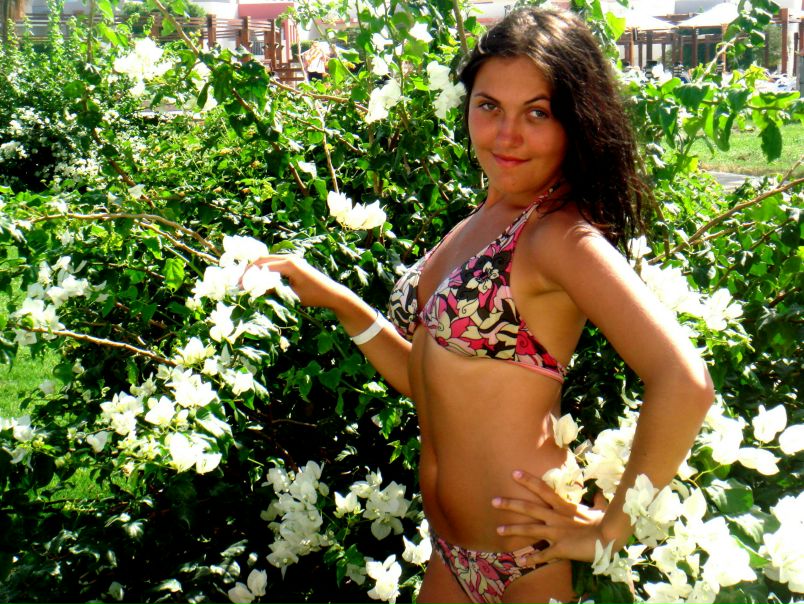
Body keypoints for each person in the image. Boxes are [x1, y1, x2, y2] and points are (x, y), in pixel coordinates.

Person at [248, 7, 714, 603]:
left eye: (537, 113)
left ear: (576, 121)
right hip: (452, 553)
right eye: (489, 105)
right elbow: (433, 381)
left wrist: (610, 529)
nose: (505, 134)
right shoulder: (488, 219)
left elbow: (684, 381)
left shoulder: (558, 238)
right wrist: (343, 304)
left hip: (527, 562)